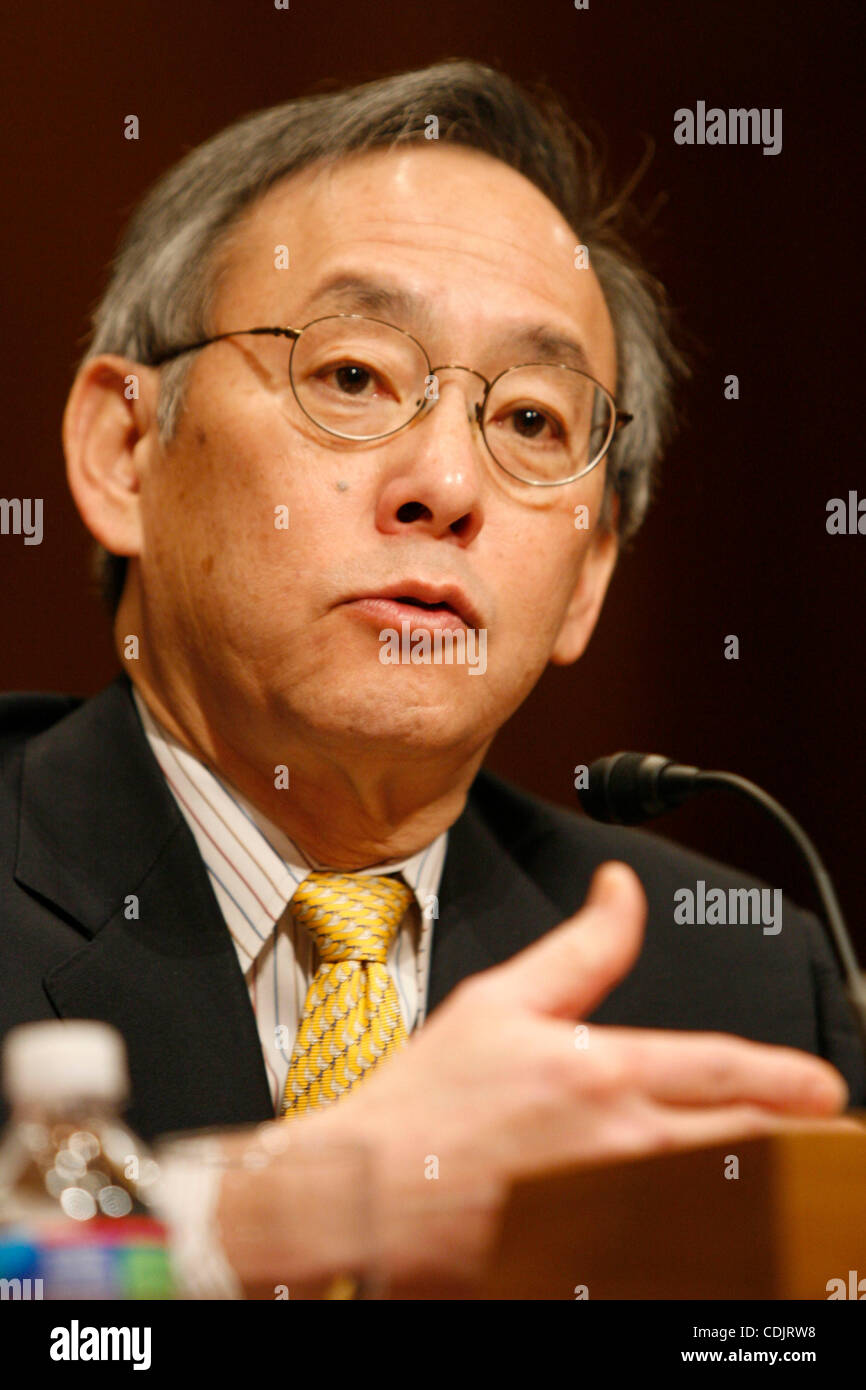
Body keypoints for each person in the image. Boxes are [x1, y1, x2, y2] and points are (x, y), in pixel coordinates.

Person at [1, 59, 861, 1297]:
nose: (446, 486)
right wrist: (291, 1214)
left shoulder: (735, 987)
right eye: (352, 376)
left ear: (586, 579)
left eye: (529, 422)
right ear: (127, 451)